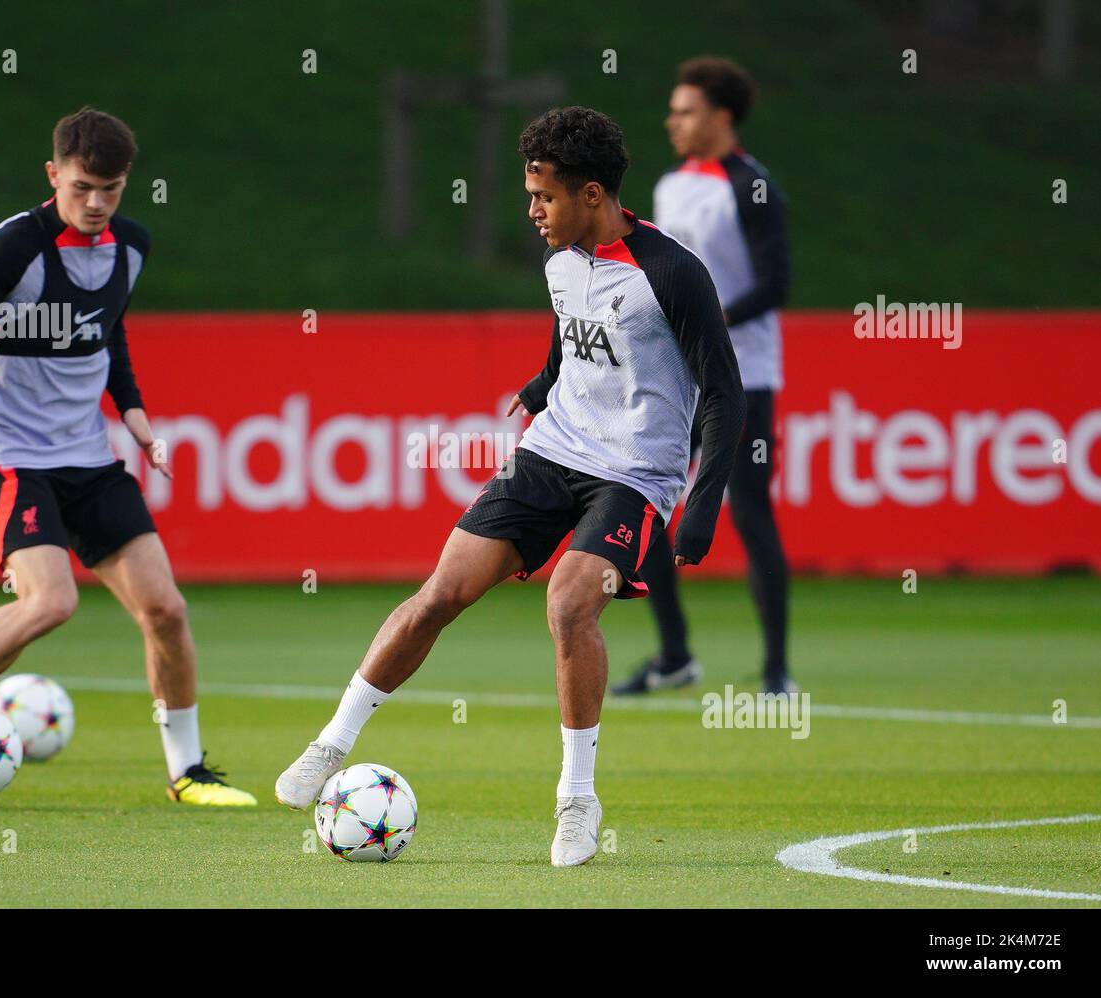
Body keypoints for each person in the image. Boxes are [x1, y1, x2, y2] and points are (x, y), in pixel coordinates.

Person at [275, 106, 745, 866]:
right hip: (552, 450)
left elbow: (725, 393)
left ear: (593, 195)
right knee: (440, 593)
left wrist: (702, 505)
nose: (532, 212)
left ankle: (576, 799)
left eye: (543, 197)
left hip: (631, 475)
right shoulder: (561, 258)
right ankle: (332, 744)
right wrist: (539, 384)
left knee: (568, 604)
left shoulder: (672, 274)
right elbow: (572, 339)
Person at [0, 107, 256, 806]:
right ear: (54, 176)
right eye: (82, 188)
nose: (97, 203)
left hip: (88, 455)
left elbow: (111, 336)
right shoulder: (12, 248)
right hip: (8, 453)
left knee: (165, 609)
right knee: (52, 602)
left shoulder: (131, 247)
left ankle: (188, 773)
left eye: (110, 188)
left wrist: (134, 418)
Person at [613, 56, 796, 697]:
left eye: (686, 110)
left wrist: (716, 313)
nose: (673, 121)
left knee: (748, 512)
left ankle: (776, 670)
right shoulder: (668, 188)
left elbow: (777, 282)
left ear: (721, 117)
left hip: (744, 377)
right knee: (650, 504)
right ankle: (674, 656)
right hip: (677, 375)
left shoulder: (751, 186)